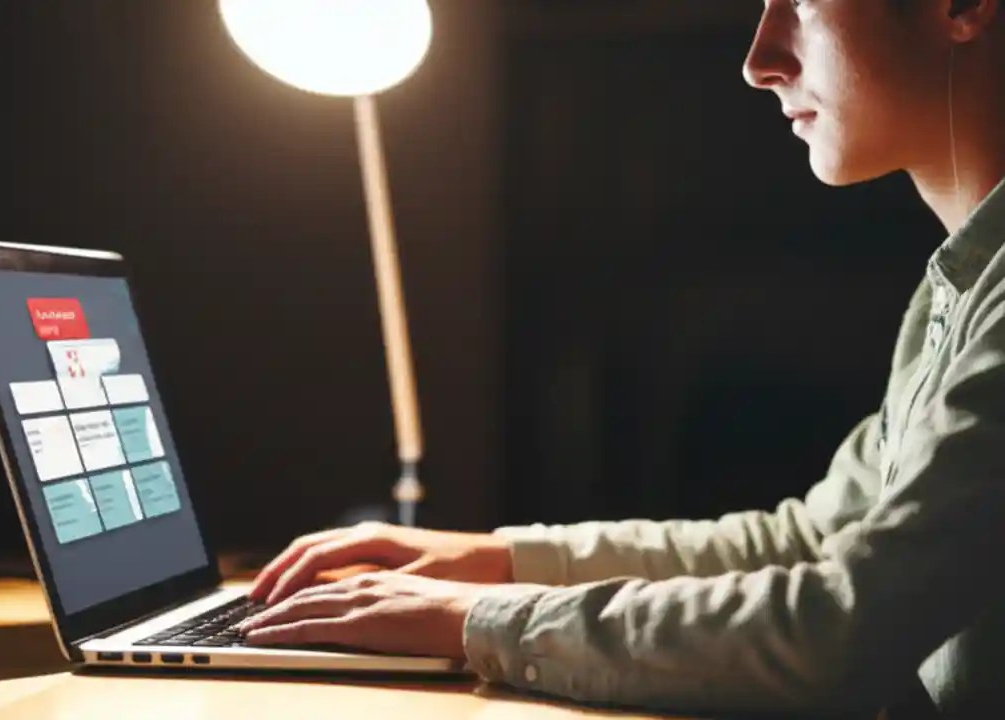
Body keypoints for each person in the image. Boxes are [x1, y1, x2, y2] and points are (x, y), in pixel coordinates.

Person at [236, 0, 1005, 716]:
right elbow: (810, 540)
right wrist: (500, 561)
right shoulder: (964, 284)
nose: (761, 59)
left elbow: (842, 623)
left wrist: (480, 621)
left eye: (800, 1)